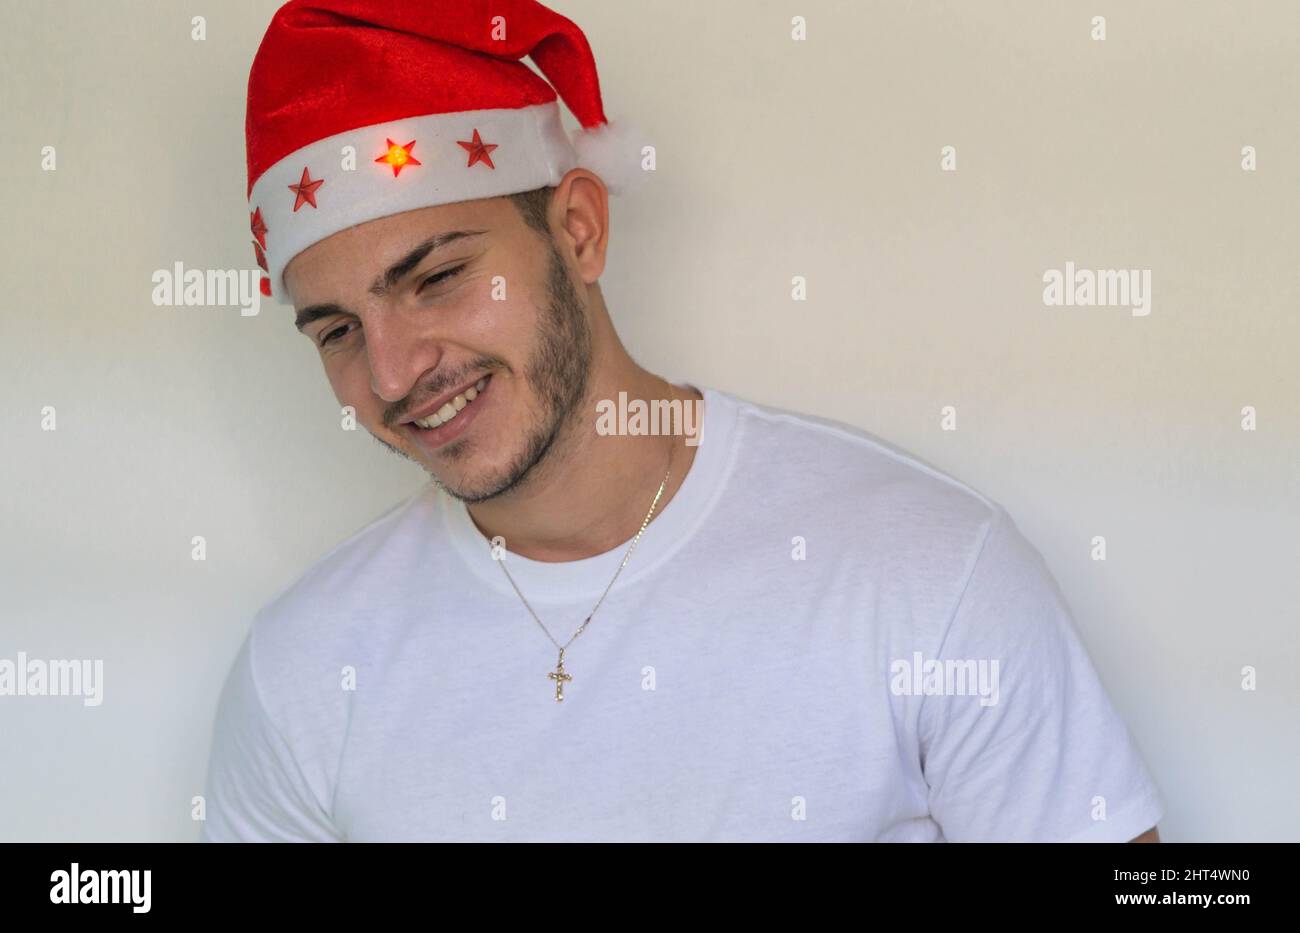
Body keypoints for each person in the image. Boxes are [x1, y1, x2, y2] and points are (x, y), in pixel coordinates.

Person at [201, 0, 1165, 842]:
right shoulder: (302, 672)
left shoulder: (924, 572)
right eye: (336, 331)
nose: (395, 369)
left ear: (578, 227)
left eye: (439, 277)